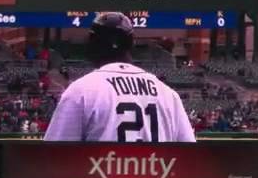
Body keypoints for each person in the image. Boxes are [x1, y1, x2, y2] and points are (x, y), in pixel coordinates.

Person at [44, 12, 195, 143]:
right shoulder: (168, 94)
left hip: (102, 174)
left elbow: (55, 156)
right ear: (130, 45)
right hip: (156, 173)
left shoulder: (80, 91)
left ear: (93, 44)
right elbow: (189, 157)